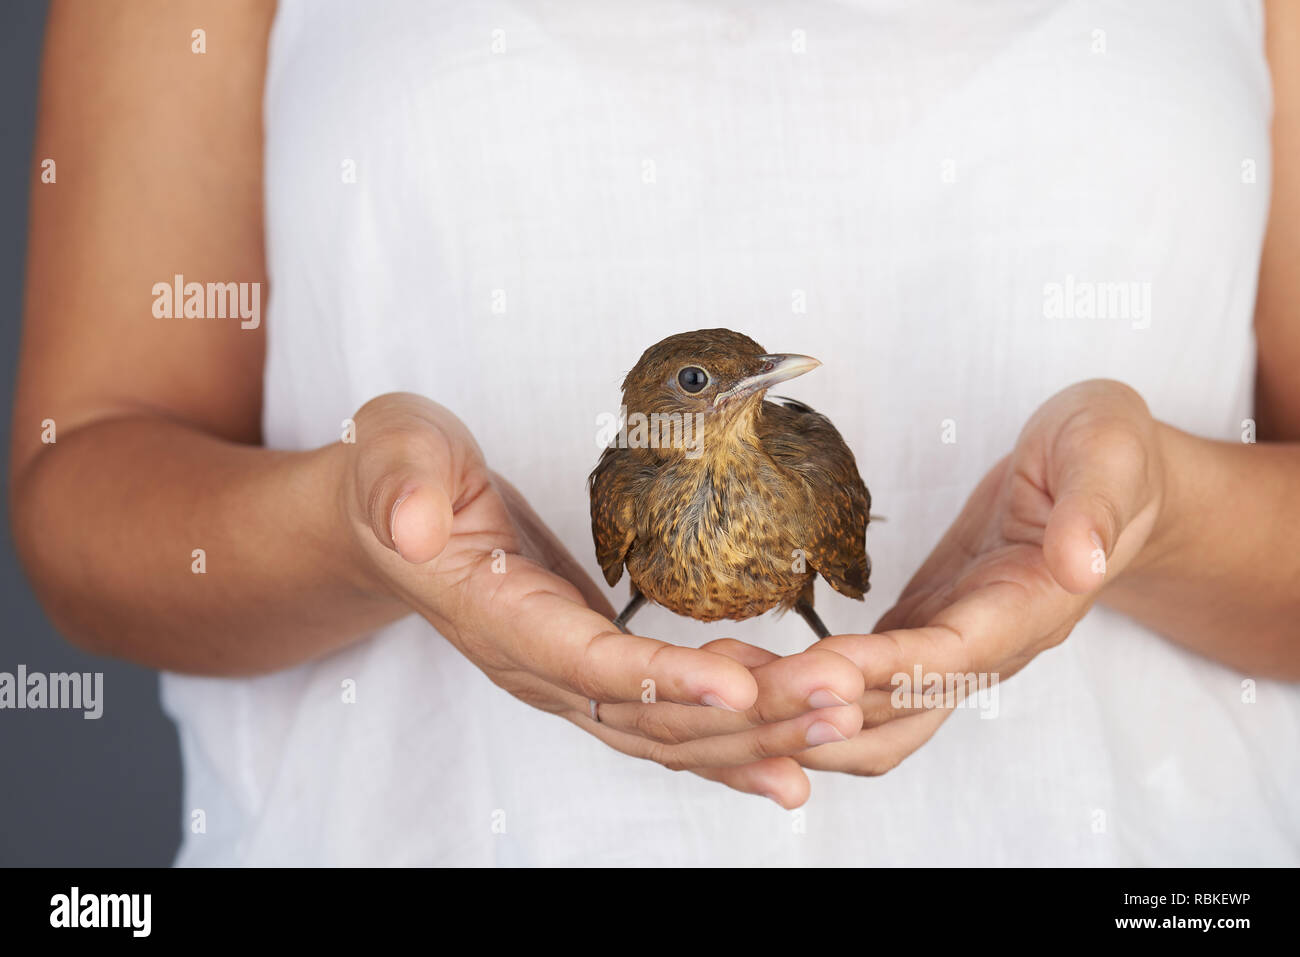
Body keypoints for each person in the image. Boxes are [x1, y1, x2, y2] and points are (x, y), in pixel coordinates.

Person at [12, 0, 1299, 865]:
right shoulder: (626, 491)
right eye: (708, 388)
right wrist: (356, 527)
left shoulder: (800, 470)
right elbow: (91, 501)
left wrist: (1154, 514)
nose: (751, 396)